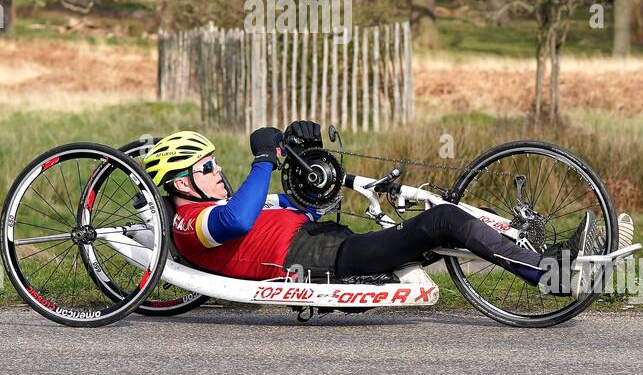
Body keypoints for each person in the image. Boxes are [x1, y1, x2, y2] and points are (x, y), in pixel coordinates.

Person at [142, 122, 593, 290]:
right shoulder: (190, 223)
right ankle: (547, 274)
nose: (218, 172)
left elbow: (305, 205)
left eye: (217, 164)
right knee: (442, 219)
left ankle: (557, 263)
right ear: (182, 182)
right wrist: (263, 160)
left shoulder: (222, 206)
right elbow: (238, 219)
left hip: (328, 243)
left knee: (436, 216)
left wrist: (304, 157)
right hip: (322, 260)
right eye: (206, 168)